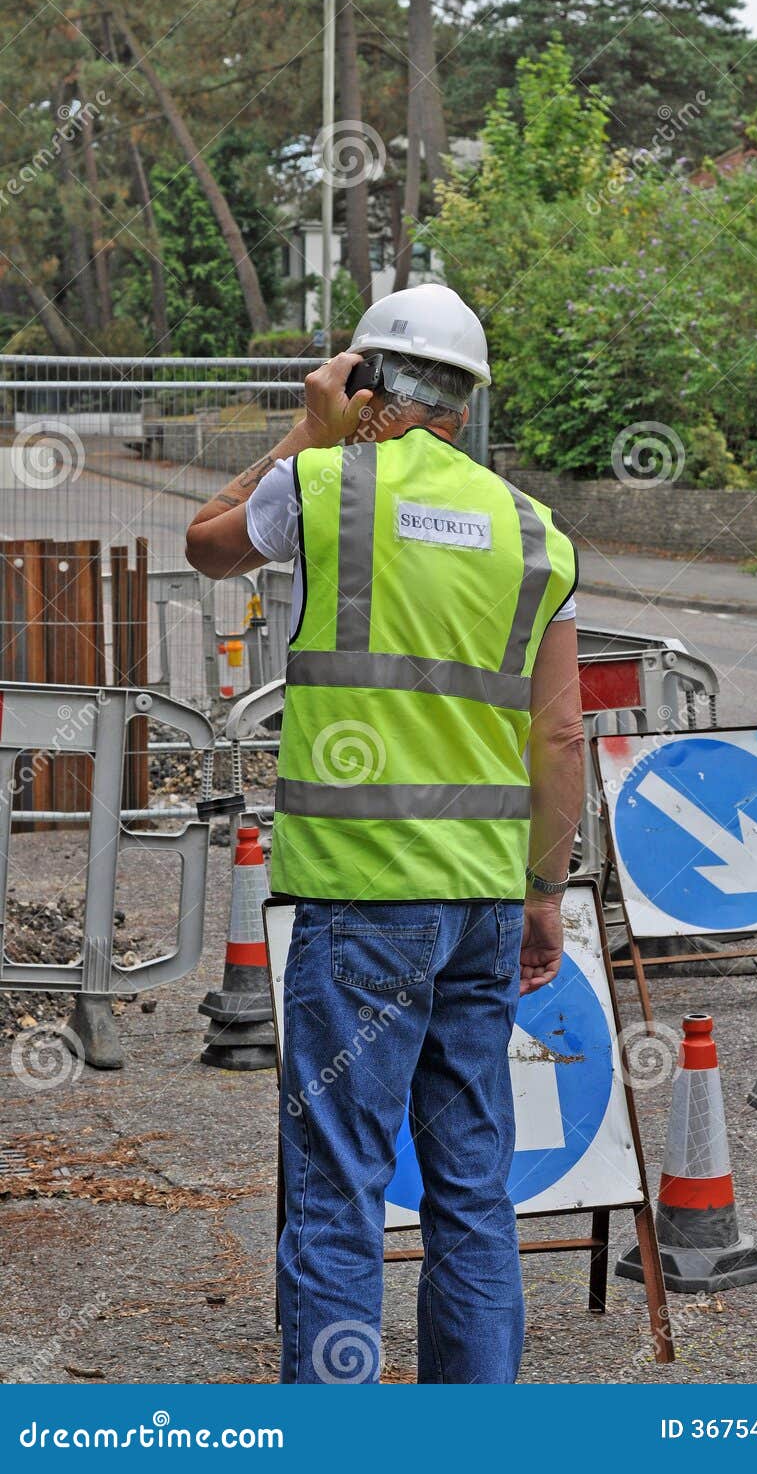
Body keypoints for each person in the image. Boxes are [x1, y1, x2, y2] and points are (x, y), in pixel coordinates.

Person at [186, 284, 584, 1385]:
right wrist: (543, 892)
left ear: (365, 378)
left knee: (339, 1182)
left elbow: (203, 545)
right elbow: (559, 734)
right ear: (464, 404)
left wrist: (304, 432)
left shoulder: (321, 487)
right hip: (480, 908)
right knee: (470, 1182)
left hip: (363, 904)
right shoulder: (533, 533)